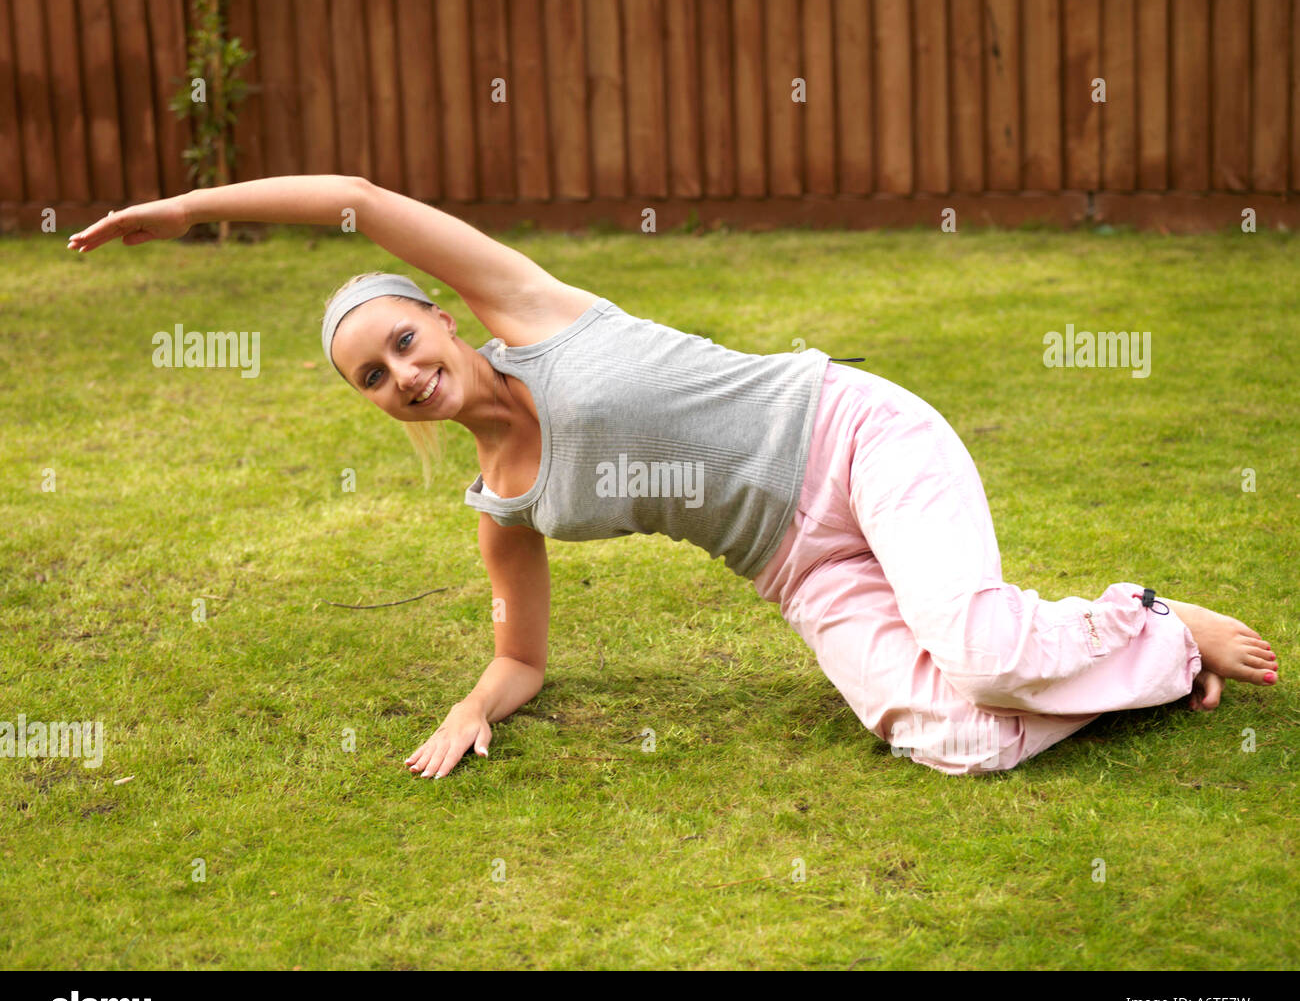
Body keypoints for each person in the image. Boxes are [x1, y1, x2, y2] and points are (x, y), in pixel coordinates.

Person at [67, 175, 1280, 779]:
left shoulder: (529, 307)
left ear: (438, 318)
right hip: (799, 570)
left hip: (850, 438)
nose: (402, 375)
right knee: (952, 736)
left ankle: (1150, 623)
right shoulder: (500, 500)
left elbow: (353, 199)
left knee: (977, 653)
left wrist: (179, 208)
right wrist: (472, 708)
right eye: (372, 382)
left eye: (400, 343)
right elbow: (523, 655)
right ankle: (1149, 668)